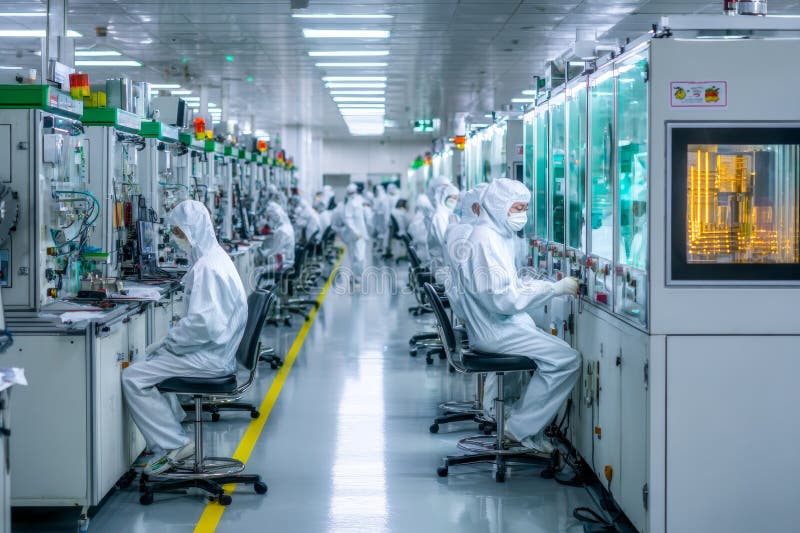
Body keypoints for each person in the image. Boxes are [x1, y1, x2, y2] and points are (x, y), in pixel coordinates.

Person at [122, 200, 248, 475]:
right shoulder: (215, 258)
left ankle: (173, 444)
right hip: (218, 351)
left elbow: (204, 324)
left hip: (210, 357)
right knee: (151, 361)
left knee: (134, 377)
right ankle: (171, 430)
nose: (177, 238)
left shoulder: (208, 268)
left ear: (192, 231)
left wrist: (171, 341)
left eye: (179, 232)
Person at [458, 178, 580, 453]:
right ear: (498, 206)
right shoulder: (484, 241)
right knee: (566, 359)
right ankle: (518, 429)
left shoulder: (496, 236)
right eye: (516, 208)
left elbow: (505, 288)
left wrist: (538, 287)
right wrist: (553, 288)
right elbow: (502, 299)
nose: (521, 214)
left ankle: (520, 426)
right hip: (495, 331)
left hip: (502, 326)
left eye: (524, 207)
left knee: (556, 354)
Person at [333, 184, 369, 285]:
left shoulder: (359, 201)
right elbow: (348, 219)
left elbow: (364, 217)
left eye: (353, 193)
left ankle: (357, 276)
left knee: (359, 257)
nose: (352, 195)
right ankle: (356, 277)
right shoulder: (349, 203)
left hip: (361, 234)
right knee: (356, 257)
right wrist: (355, 232)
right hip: (354, 235)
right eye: (350, 193)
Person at [258, 201, 295, 272]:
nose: (268, 221)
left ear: (275, 217)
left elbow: (273, 252)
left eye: (269, 218)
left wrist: (261, 253)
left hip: (283, 264)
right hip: (287, 260)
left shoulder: (281, 231)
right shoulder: (287, 227)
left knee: (257, 270)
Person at [407, 194, 433, 261]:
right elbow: (424, 239)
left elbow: (410, 232)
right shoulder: (423, 218)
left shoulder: (417, 217)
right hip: (425, 255)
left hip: (419, 251)